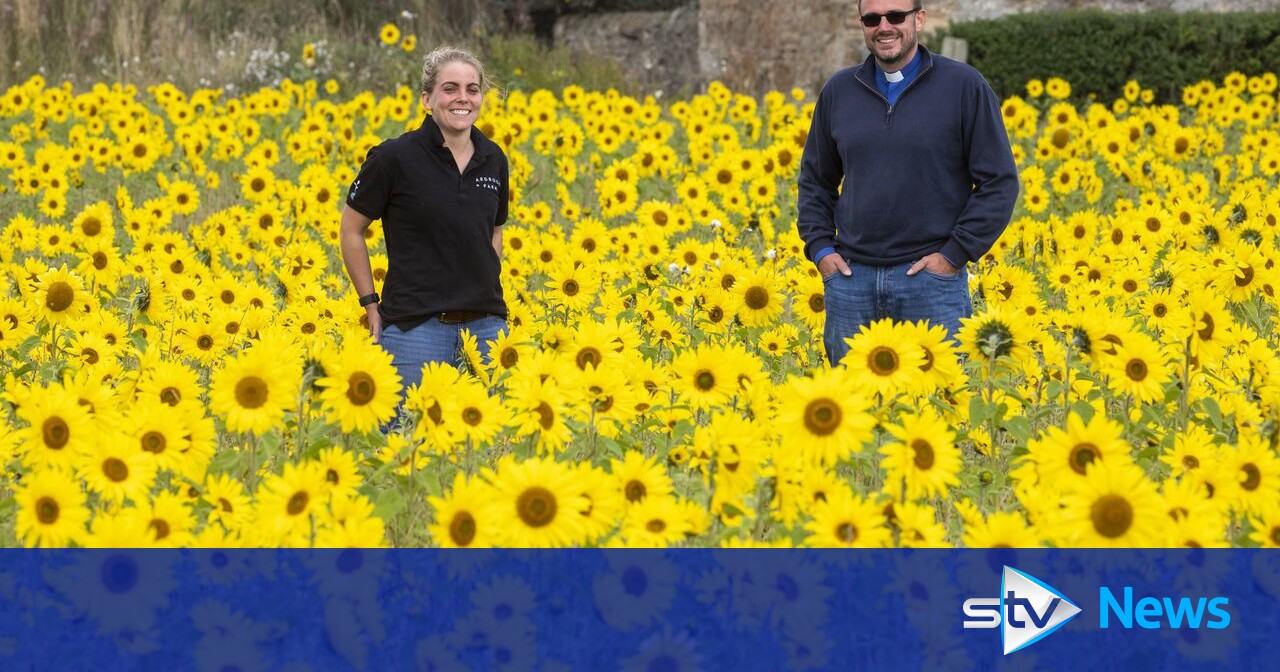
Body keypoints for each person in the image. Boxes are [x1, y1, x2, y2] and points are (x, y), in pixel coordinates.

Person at [796, 0, 1019, 366]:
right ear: (863, 25)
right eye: (872, 19)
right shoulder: (839, 91)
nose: (884, 26)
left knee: (940, 407)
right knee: (853, 411)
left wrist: (953, 255)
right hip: (852, 283)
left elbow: (999, 181)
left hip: (931, 285)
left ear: (919, 19)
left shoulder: (964, 87)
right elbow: (816, 181)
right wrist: (821, 250)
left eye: (895, 16)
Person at [340, 46, 509, 402]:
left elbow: (495, 229)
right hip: (415, 329)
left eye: (472, 89)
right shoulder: (393, 158)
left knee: (481, 445)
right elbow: (351, 230)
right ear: (427, 99)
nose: (462, 98)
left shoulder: (493, 158)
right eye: (450, 89)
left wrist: (487, 277)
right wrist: (370, 303)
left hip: (487, 326)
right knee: (407, 444)